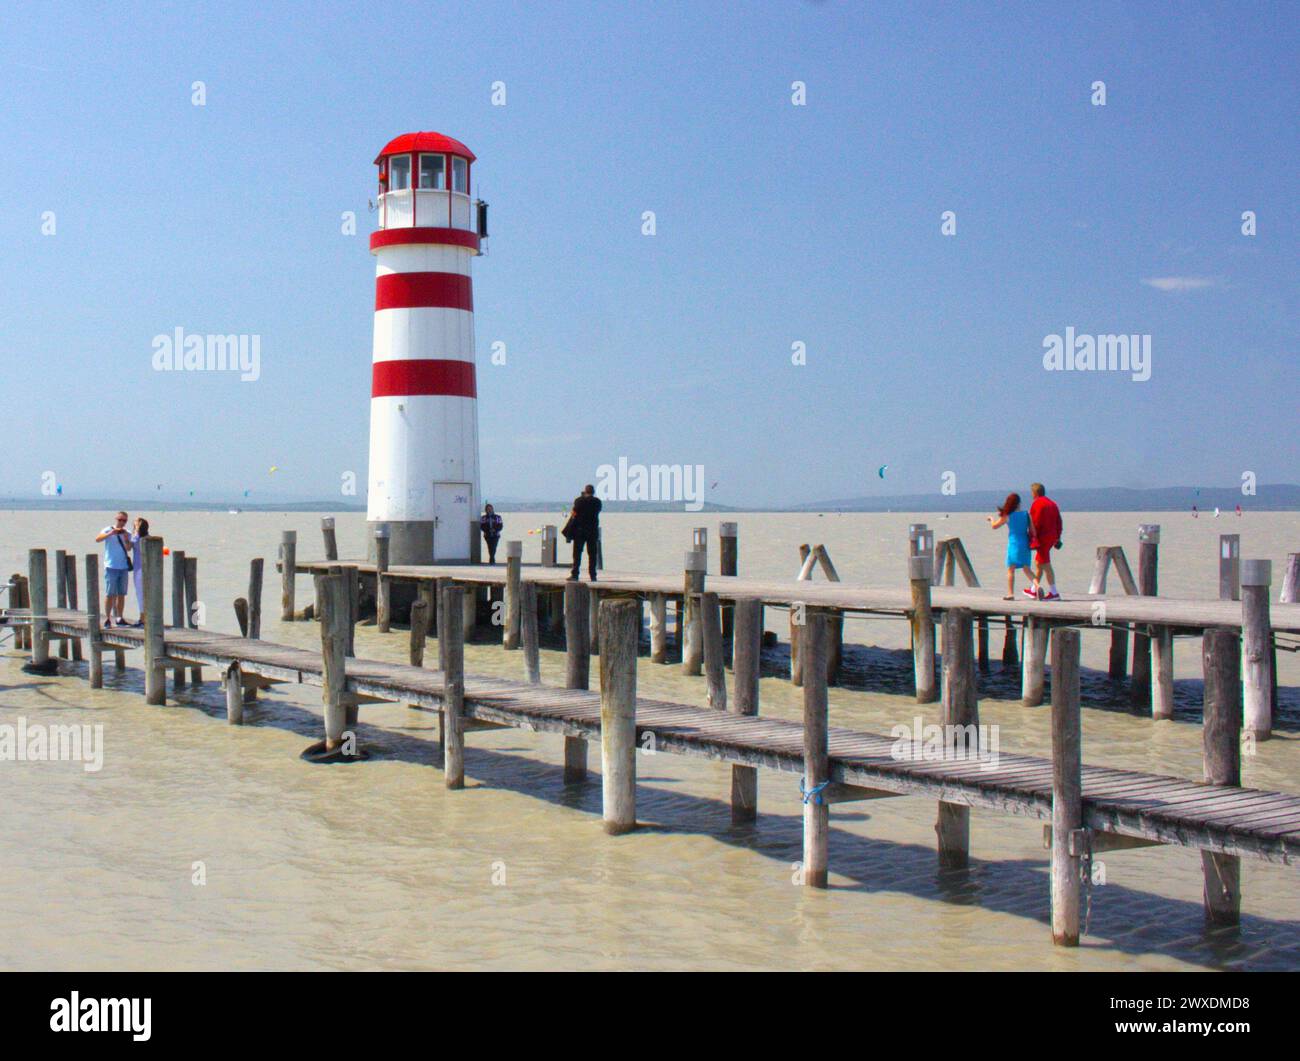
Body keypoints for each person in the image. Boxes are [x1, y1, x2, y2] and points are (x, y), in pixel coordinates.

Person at [987, 492, 1034, 600]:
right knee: (1027, 569)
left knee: (1011, 569)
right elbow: (1033, 531)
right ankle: (1037, 586)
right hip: (1025, 543)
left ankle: (1010, 593)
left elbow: (994, 526)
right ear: (1019, 503)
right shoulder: (1026, 514)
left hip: (1014, 544)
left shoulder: (1008, 515)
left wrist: (991, 519)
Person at [95, 511, 133, 626]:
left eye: (124, 520)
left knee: (122, 593)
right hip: (111, 566)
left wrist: (126, 538)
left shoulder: (127, 533)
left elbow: (129, 548)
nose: (121, 522)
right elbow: (98, 539)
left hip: (123, 567)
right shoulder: (108, 529)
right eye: (120, 519)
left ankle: (119, 618)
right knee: (110, 593)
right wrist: (111, 533)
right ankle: (107, 618)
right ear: (116, 519)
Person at [1026, 482, 1063, 601]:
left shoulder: (1037, 504)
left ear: (1035, 493)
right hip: (1052, 537)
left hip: (1042, 538)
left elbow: (1034, 523)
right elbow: (1059, 521)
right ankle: (1033, 589)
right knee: (1039, 563)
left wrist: (1031, 537)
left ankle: (1054, 592)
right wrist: (1058, 536)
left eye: (1031, 492)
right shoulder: (1053, 504)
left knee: (1046, 564)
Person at [567, 484, 602, 581]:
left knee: (577, 554)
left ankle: (575, 574)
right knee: (592, 554)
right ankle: (593, 575)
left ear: (585, 491)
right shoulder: (597, 502)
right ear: (593, 492)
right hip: (592, 531)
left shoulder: (579, 501)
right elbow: (597, 511)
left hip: (580, 531)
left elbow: (574, 513)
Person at [129, 517, 150, 624]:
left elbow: (128, 546)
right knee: (147, 593)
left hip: (139, 569)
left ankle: (142, 618)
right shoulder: (149, 538)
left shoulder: (136, 538)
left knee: (140, 592)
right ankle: (146, 616)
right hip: (149, 569)